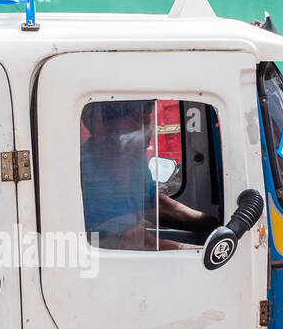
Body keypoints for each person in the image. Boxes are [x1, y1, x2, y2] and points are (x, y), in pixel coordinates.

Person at [80, 100, 217, 249]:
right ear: (100, 127)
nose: (147, 129)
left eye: (147, 116)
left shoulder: (131, 159)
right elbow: (137, 241)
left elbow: (154, 204)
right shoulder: (90, 175)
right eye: (135, 119)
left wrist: (215, 222)